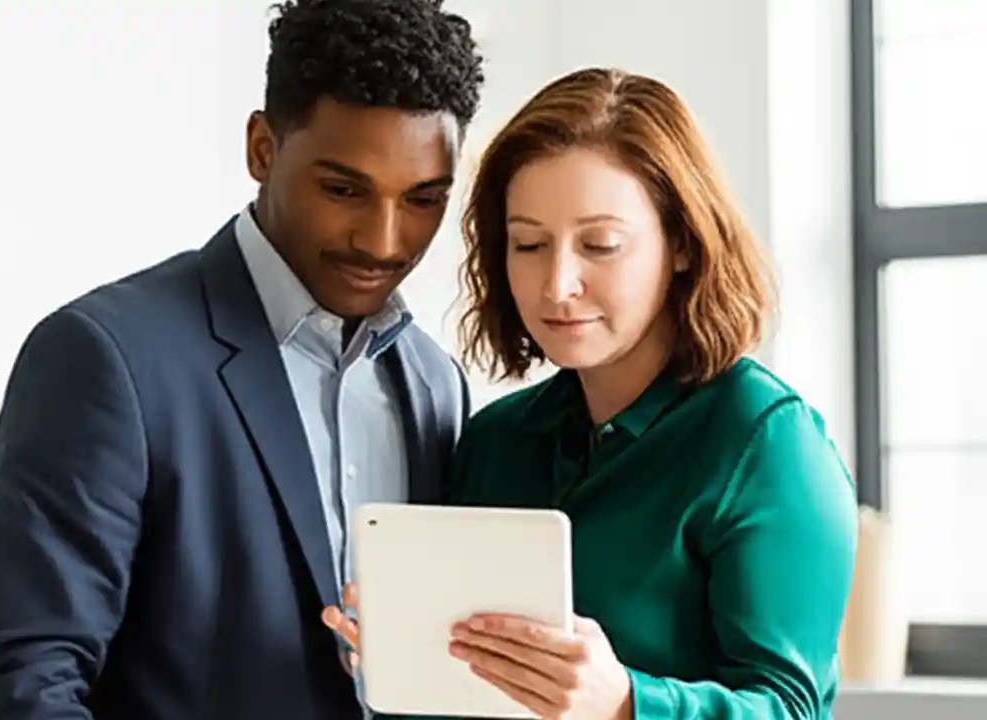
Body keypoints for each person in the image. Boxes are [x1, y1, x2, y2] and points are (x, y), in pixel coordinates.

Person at [0, 1, 484, 718]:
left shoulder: (433, 383)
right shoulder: (105, 358)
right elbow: (22, 684)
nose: (383, 241)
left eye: (423, 199)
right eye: (342, 189)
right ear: (262, 147)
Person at [325, 67, 858, 719]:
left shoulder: (766, 440)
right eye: (529, 244)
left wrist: (630, 703)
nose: (557, 284)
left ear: (683, 244)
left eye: (600, 244)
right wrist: (409, 663)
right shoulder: (497, 440)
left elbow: (793, 709)